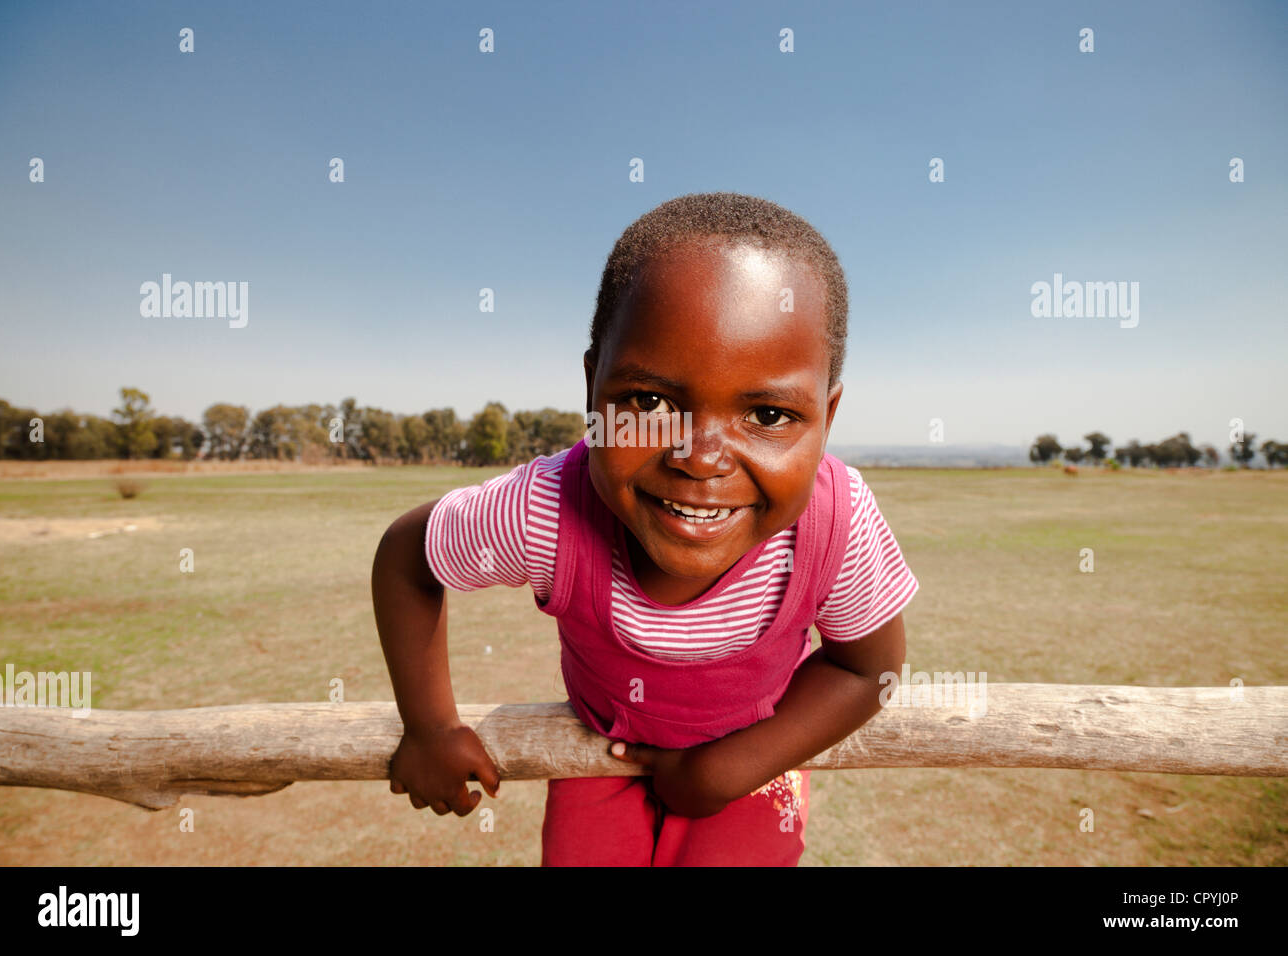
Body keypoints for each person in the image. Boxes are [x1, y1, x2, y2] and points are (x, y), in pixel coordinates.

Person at [372, 191, 919, 866]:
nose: (700, 458)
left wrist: (724, 770)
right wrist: (429, 728)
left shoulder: (836, 520)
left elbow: (869, 671)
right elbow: (408, 556)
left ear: (827, 418)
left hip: (753, 763)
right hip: (596, 755)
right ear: (591, 388)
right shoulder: (546, 510)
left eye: (769, 416)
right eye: (649, 401)